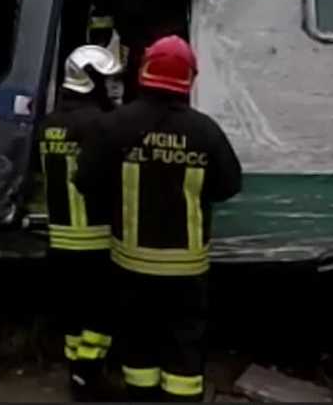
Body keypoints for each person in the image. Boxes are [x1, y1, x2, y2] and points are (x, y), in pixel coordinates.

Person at [74, 35, 242, 402]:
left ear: (145, 71)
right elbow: (230, 185)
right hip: (187, 268)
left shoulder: (113, 126)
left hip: (130, 262)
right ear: (189, 78)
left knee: (138, 340)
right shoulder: (206, 131)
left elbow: (84, 180)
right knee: (185, 343)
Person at [31, 44, 123, 401]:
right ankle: (89, 374)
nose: (113, 87)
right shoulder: (99, 124)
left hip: (60, 236)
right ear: (90, 79)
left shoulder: (49, 123)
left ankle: (77, 372)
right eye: (107, 79)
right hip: (95, 236)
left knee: (72, 313)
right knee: (101, 313)